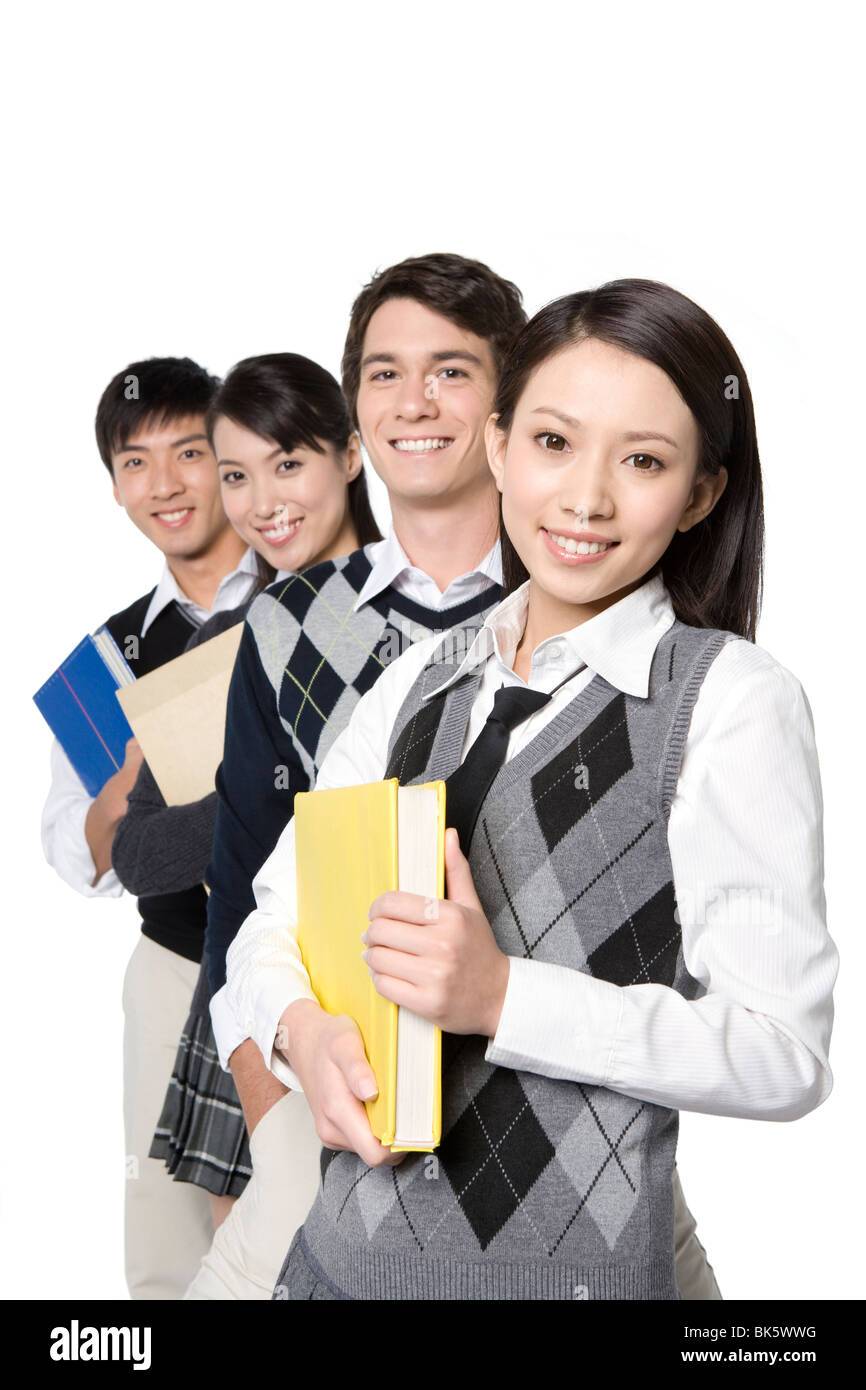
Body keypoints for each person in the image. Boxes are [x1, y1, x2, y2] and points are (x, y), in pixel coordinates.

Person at [224, 278, 838, 1301]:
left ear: (697, 494)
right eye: (553, 442)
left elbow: (781, 1052)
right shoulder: (415, 681)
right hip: (334, 1265)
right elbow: (270, 917)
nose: (585, 498)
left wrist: (501, 997)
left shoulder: (725, 703)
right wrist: (301, 1029)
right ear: (499, 443)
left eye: (641, 460)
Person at [112, 352, 380, 1242]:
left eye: (289, 463)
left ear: (350, 456)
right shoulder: (236, 638)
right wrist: (275, 803)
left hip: (394, 982)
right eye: (236, 475)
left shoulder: (433, 607)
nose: (263, 501)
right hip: (250, 992)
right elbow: (138, 852)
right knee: (252, 1261)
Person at [40, 356, 257, 1299]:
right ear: (116, 487)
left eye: (190, 452)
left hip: (319, 952)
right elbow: (84, 855)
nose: (164, 484)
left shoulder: (312, 590)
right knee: (170, 1236)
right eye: (136, 462)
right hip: (174, 962)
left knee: (313, 1207)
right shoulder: (106, 658)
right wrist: (138, 767)